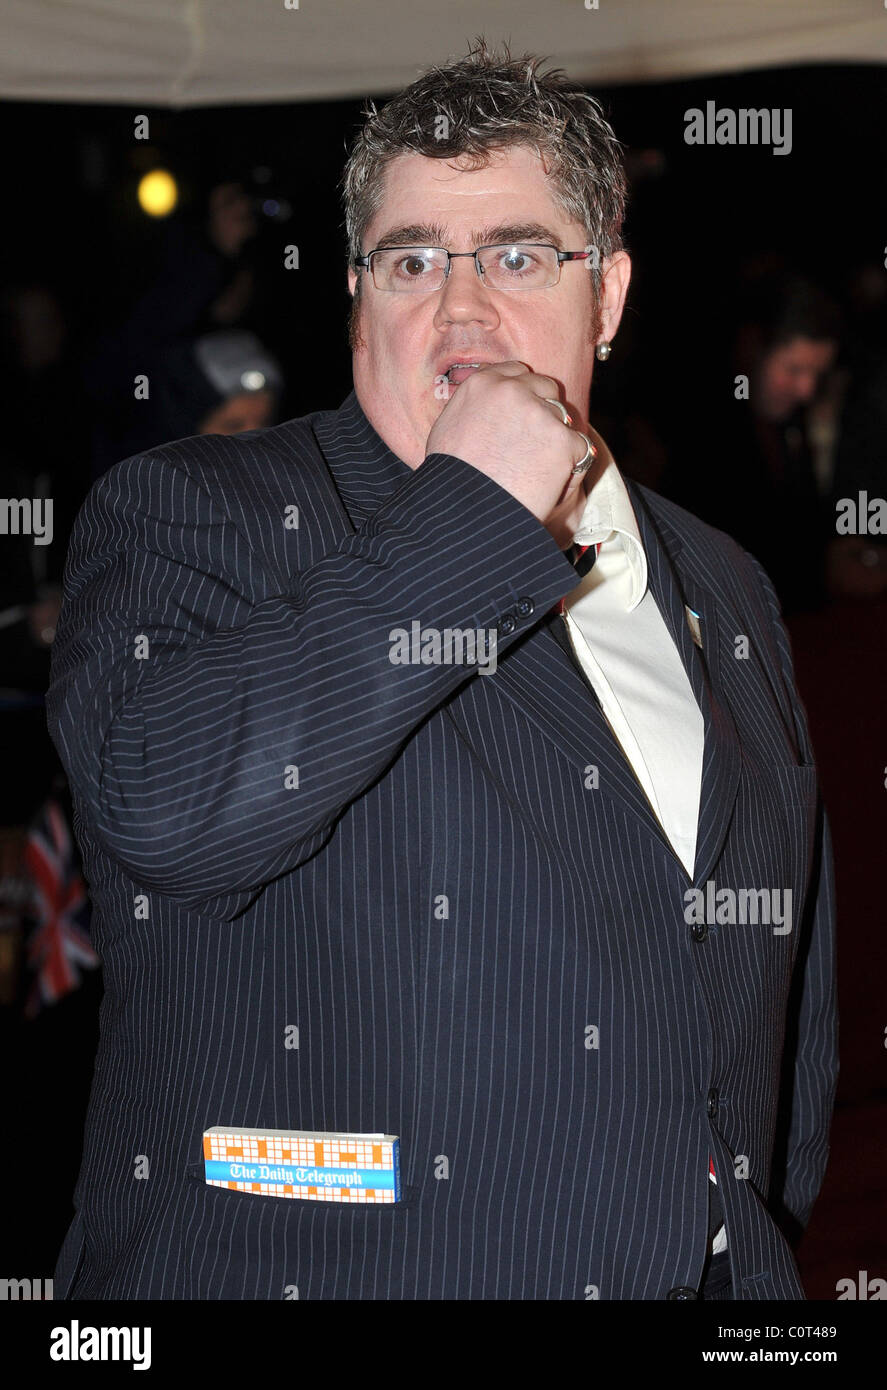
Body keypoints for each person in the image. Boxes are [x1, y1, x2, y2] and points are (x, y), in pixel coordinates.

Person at [46, 40, 837, 1301]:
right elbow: (166, 806)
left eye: (518, 257)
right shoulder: (199, 511)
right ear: (359, 294)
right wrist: (470, 510)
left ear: (609, 294)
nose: (461, 312)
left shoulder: (722, 580)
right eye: (413, 261)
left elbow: (773, 1009)